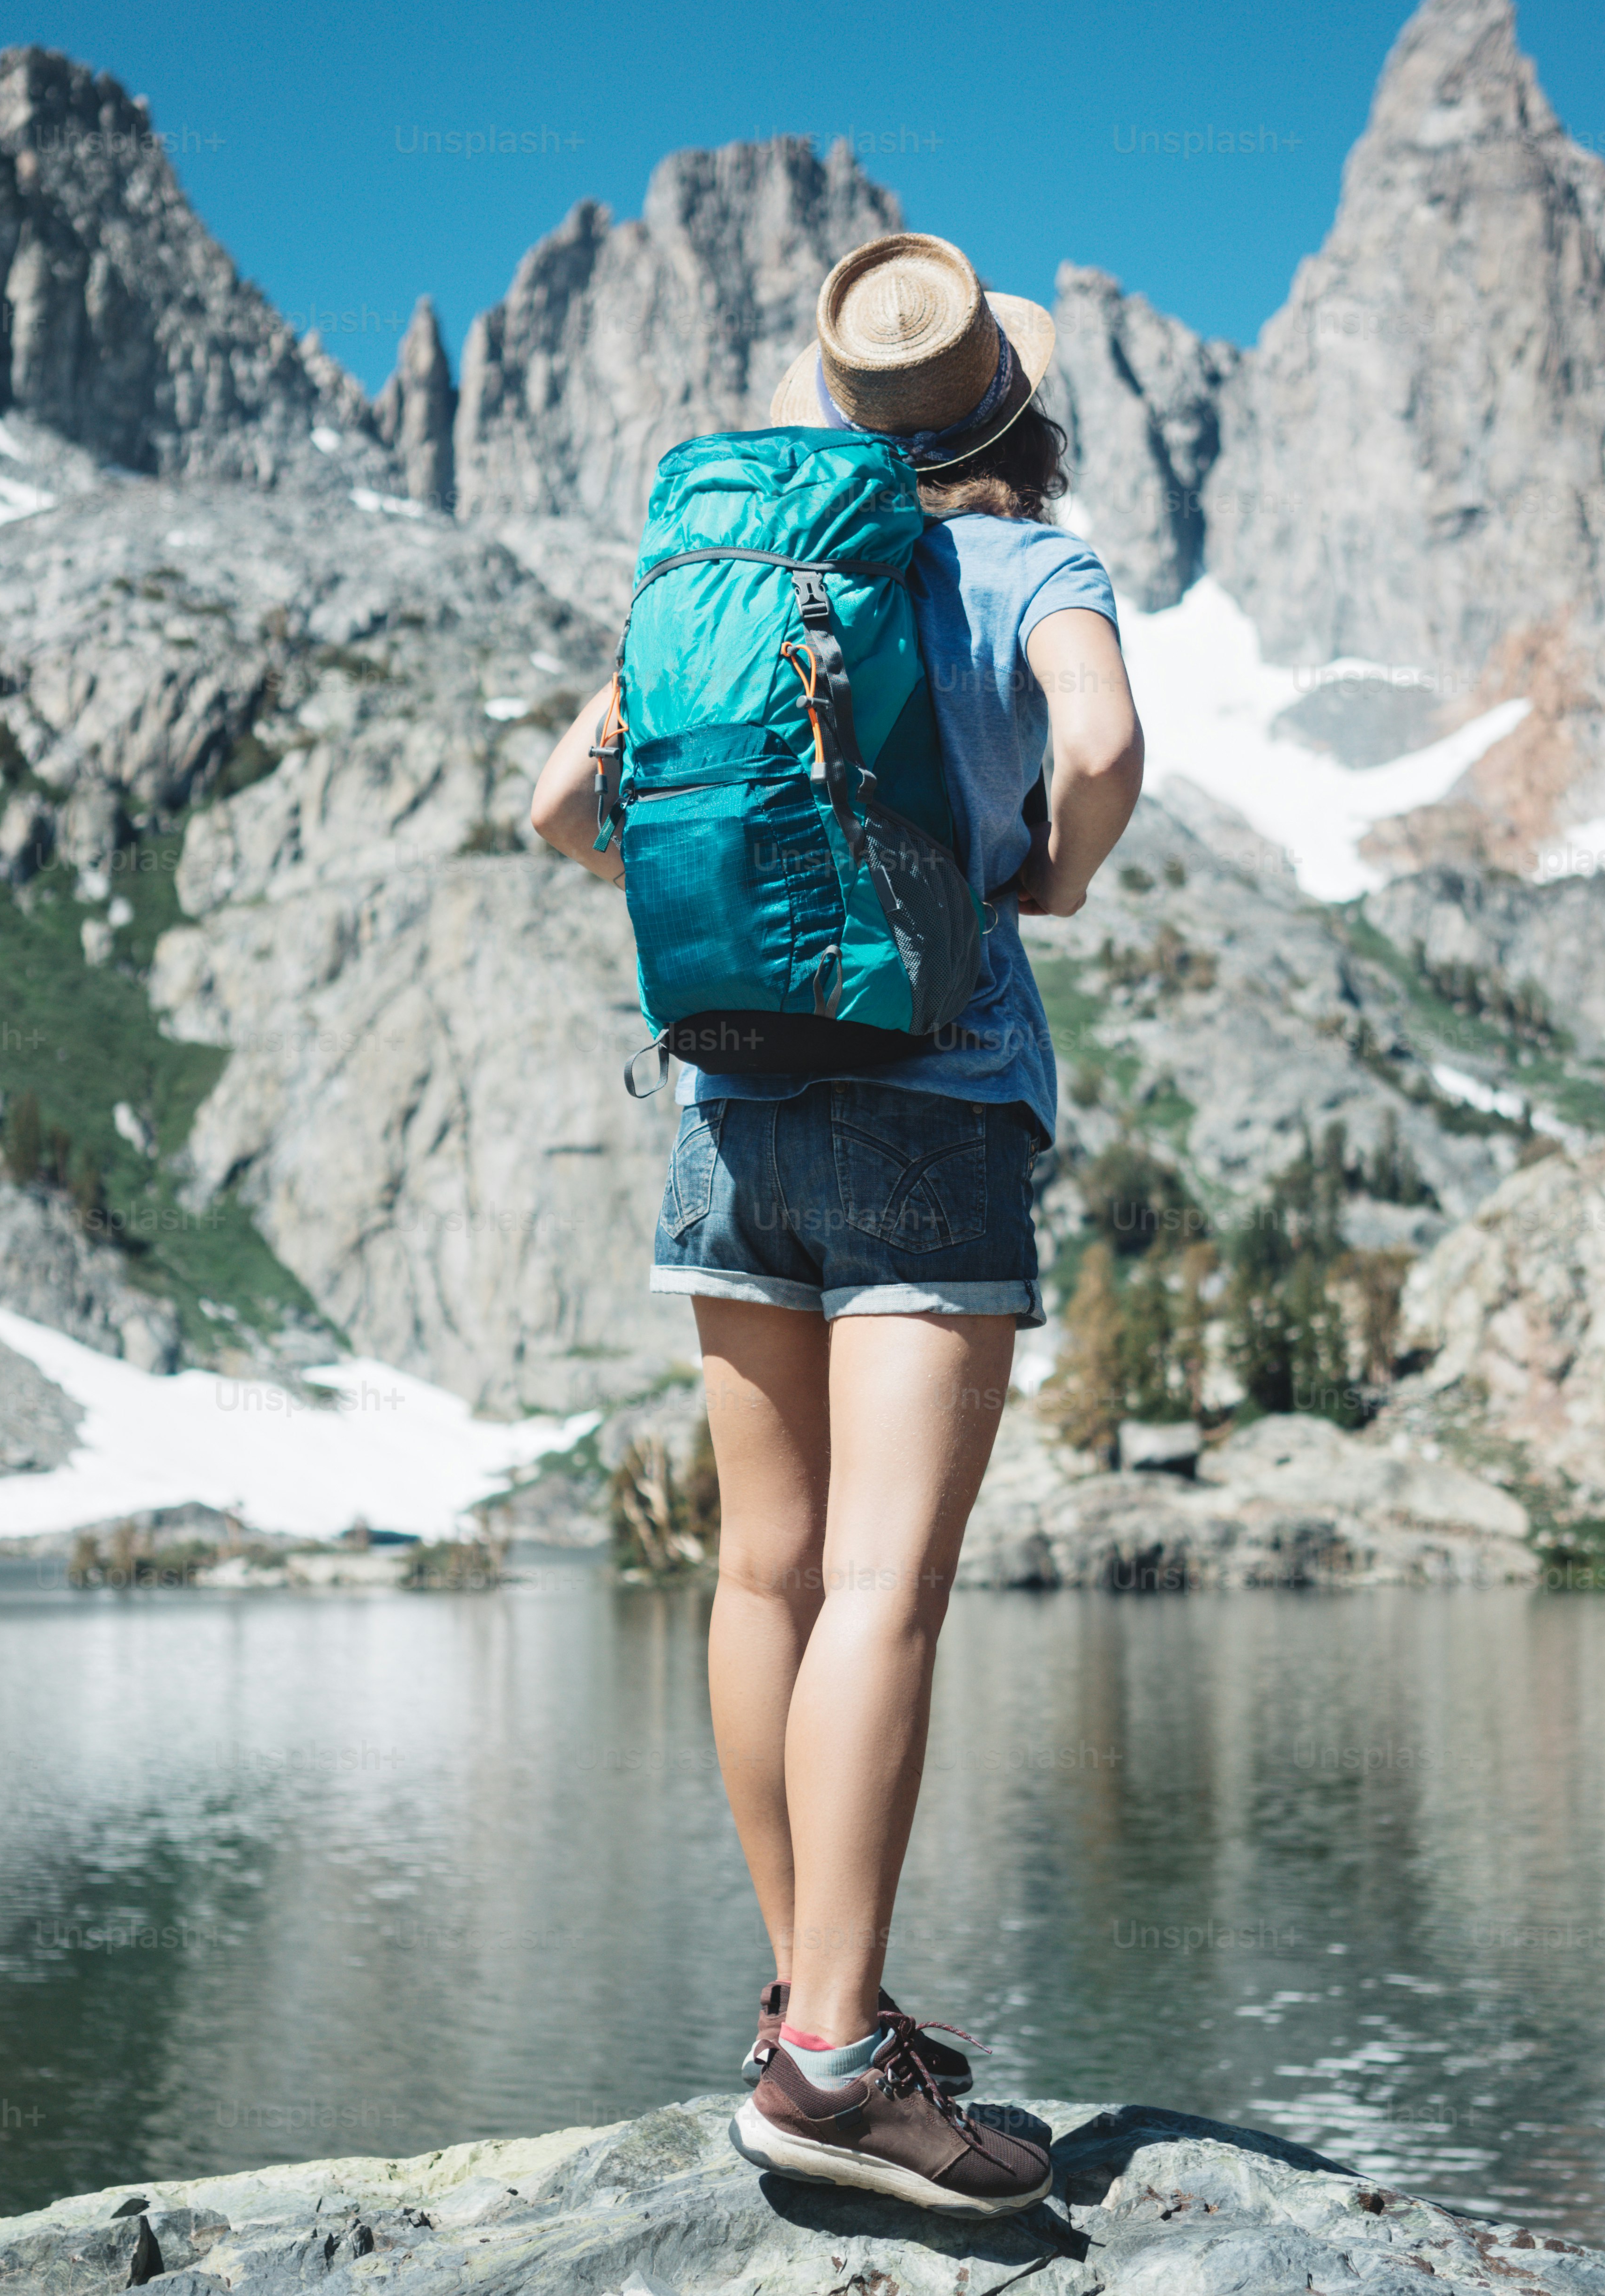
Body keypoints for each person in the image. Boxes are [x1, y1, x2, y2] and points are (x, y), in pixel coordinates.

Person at [529, 232, 1146, 2217]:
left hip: (728, 1115)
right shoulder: (1025, 567)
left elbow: (558, 810)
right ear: (1010, 403)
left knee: (763, 1580)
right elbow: (1109, 749)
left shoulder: (748, 574)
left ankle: (816, 2002)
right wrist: (1044, 880)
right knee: (884, 1588)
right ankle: (826, 2061)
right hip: (928, 1107)